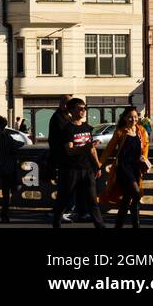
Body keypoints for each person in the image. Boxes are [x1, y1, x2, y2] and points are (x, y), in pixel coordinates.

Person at [52, 98, 105, 228]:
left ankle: (100, 225)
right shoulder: (67, 129)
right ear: (71, 111)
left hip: (87, 169)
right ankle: (56, 221)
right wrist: (86, 147)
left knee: (92, 200)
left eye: (84, 108)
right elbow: (69, 150)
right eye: (79, 108)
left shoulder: (86, 127)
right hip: (70, 169)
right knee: (64, 198)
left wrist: (98, 165)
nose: (83, 111)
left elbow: (91, 149)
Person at [100, 107, 150, 228]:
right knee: (137, 194)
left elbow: (145, 148)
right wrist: (99, 165)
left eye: (135, 117)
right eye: (130, 117)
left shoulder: (141, 131)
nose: (133, 119)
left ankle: (118, 225)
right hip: (123, 169)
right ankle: (136, 224)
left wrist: (144, 159)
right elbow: (109, 150)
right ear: (124, 118)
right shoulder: (120, 132)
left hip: (135, 169)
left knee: (126, 200)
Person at [45, 95, 74, 221]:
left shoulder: (61, 116)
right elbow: (65, 136)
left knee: (66, 186)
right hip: (63, 158)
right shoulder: (59, 118)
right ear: (64, 104)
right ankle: (61, 211)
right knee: (66, 186)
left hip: (63, 157)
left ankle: (62, 210)